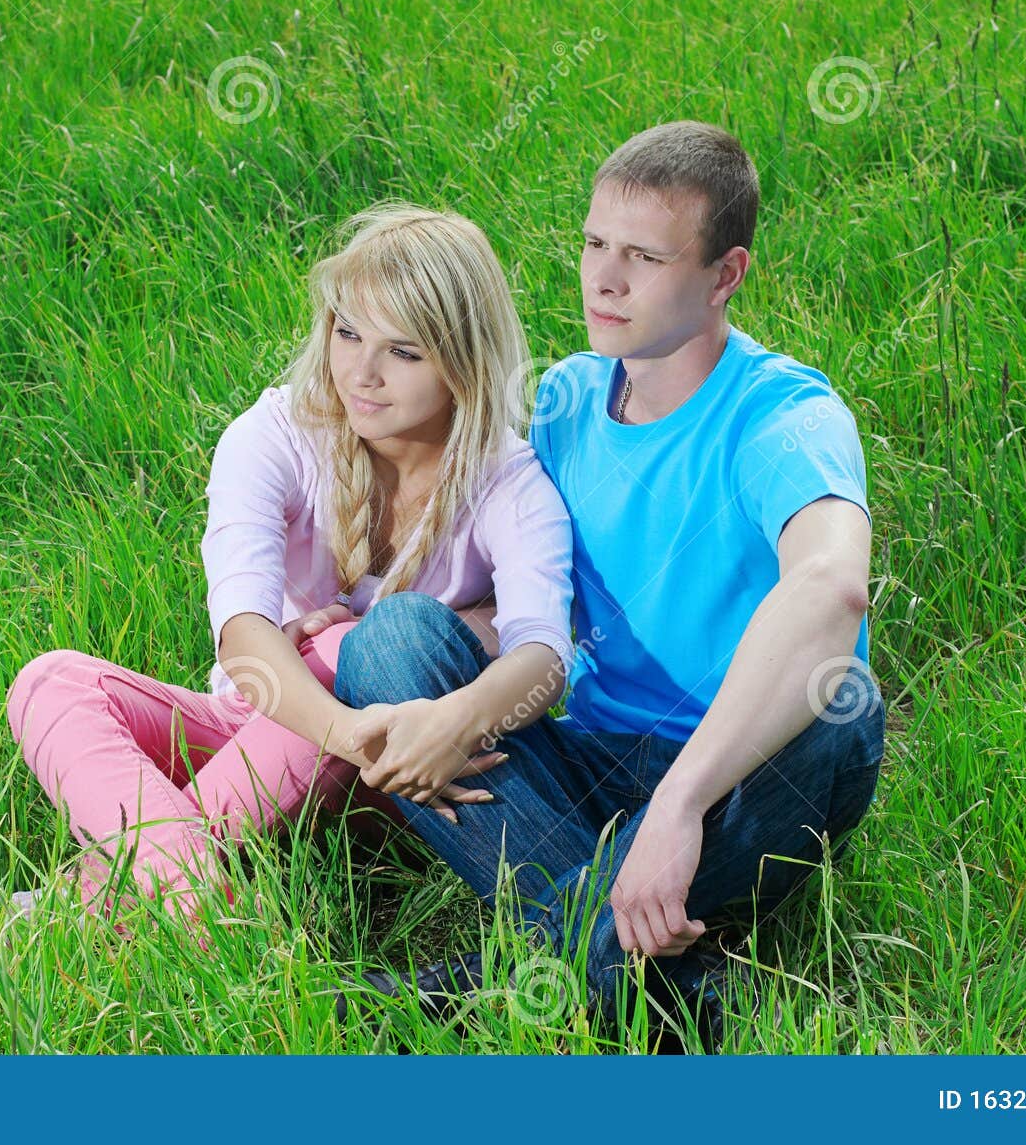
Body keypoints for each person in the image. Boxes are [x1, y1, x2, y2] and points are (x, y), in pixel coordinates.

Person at [330, 121, 887, 1049]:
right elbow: (522, 601)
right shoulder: (568, 399)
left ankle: (502, 976)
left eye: (644, 255)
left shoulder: (784, 416)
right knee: (391, 642)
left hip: (738, 772)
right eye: (594, 243)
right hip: (589, 756)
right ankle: (636, 970)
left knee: (843, 702)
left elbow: (831, 590)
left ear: (724, 275)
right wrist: (406, 670)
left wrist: (678, 810)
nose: (603, 278)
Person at [5, 202, 577, 939]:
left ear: (463, 361)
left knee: (348, 649)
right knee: (51, 681)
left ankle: (94, 902)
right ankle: (187, 891)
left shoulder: (510, 482)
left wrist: (448, 715)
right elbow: (242, 633)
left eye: (404, 352)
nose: (361, 373)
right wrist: (343, 727)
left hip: (407, 781)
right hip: (267, 726)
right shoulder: (274, 434)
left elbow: (545, 654)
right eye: (347, 331)